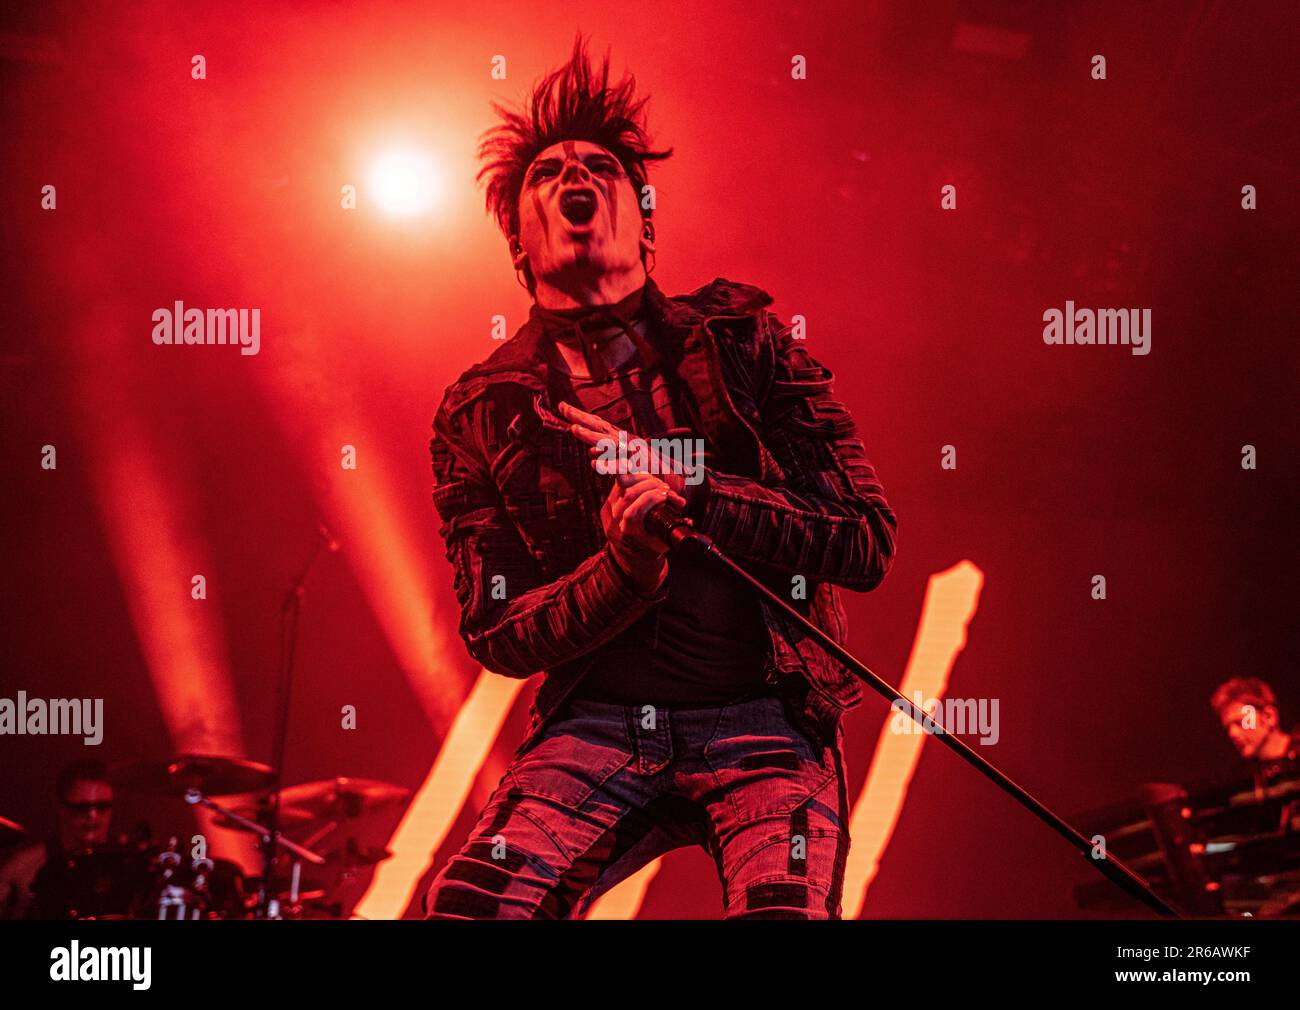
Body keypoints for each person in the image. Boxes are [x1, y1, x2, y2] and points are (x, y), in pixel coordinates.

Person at [424, 35, 896, 919]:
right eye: (547, 172)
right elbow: (495, 630)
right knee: (470, 906)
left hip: (766, 720)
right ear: (518, 245)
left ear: (644, 221)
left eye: (602, 166)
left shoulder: (746, 341)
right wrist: (622, 575)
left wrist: (699, 495)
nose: (576, 175)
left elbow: (864, 539)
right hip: (596, 724)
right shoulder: (483, 409)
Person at [0, 759, 114, 918]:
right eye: (82, 807)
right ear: (61, 807)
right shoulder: (22, 870)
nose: (92, 815)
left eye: (102, 807)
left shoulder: (130, 868)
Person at [1210, 677, 1298, 792]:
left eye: (1241, 722)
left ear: (1268, 716)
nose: (1232, 733)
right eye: (1228, 728)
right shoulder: (1250, 782)